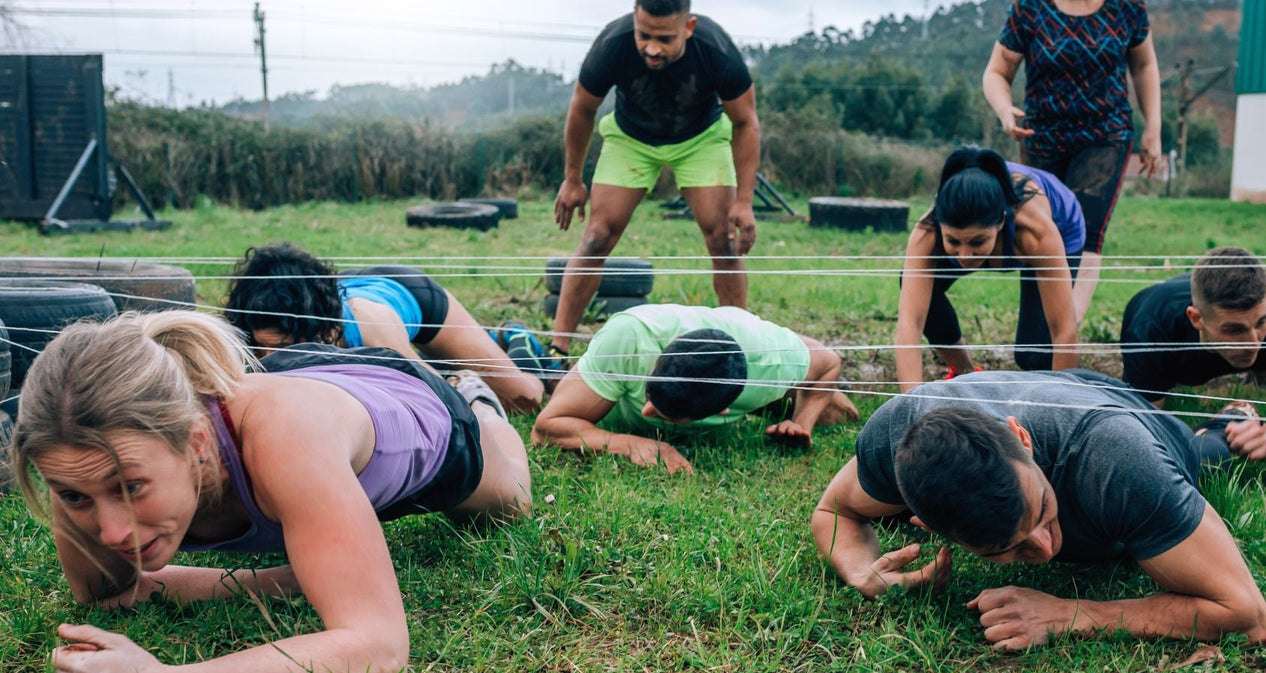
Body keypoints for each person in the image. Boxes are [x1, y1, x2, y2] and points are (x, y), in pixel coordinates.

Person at [12, 310, 532, 673]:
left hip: (418, 408)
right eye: (76, 496)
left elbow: (378, 650)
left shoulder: (285, 440)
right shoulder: (84, 451)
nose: (111, 530)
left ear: (195, 441)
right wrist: (280, 579)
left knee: (512, 505)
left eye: (130, 487)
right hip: (291, 378)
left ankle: (481, 401)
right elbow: (107, 593)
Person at [811, 370, 1266, 650]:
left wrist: (1071, 614)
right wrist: (859, 570)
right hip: (1054, 385)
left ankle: (1231, 421)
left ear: (1023, 440)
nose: (1046, 546)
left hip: (1124, 418)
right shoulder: (899, 434)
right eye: (1008, 550)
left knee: (1206, 450)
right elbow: (834, 511)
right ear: (925, 524)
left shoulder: (1118, 461)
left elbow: (1248, 615)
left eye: (1044, 511)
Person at [549, 0, 760, 360]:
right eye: (643, 35)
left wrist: (743, 201)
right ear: (634, 20)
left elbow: (746, 122)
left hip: (701, 139)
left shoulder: (715, 48)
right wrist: (572, 179)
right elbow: (582, 108)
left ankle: (740, 349)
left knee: (723, 240)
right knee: (597, 237)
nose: (651, 48)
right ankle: (557, 347)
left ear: (688, 27)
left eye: (664, 38)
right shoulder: (612, 43)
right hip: (631, 138)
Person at [982, 0, 1163, 324]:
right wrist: (1005, 109)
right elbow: (997, 70)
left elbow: (1144, 66)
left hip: (1105, 134)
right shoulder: (1030, 8)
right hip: (1041, 136)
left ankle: (1068, 330)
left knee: (1086, 227)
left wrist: (1153, 128)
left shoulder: (1127, 7)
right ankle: (1038, 332)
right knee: (1041, 228)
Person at [532, 304, 858, 473]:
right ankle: (522, 345)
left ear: (722, 413)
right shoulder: (629, 339)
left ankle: (781, 406)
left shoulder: (772, 361)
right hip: (623, 356)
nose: (647, 412)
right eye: (650, 398)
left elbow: (830, 362)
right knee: (533, 393)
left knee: (843, 413)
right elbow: (545, 428)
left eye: (663, 415)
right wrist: (627, 443)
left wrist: (802, 422)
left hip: (750, 347)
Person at [225, 244, 546, 414]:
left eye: (281, 349)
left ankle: (511, 337)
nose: (267, 358)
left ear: (319, 331)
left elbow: (444, 400)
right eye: (261, 346)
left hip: (412, 296)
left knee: (524, 398)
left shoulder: (369, 326)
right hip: (335, 294)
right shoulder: (248, 331)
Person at [1121, 246, 1266, 463]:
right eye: (1234, 330)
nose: (1253, 344)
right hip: (1160, 330)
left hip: (1261, 356)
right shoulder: (1152, 328)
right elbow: (1142, 433)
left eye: (1261, 322)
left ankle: (1261, 372)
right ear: (1196, 319)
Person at [895, 145, 1084, 388]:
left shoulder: (1035, 233)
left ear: (1001, 223)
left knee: (1036, 356)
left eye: (977, 241)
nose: (964, 255)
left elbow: (1064, 329)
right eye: (953, 241)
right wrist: (911, 404)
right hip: (996, 233)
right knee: (915, 285)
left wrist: (1065, 407)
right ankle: (963, 371)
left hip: (1062, 222)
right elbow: (909, 325)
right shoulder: (927, 232)